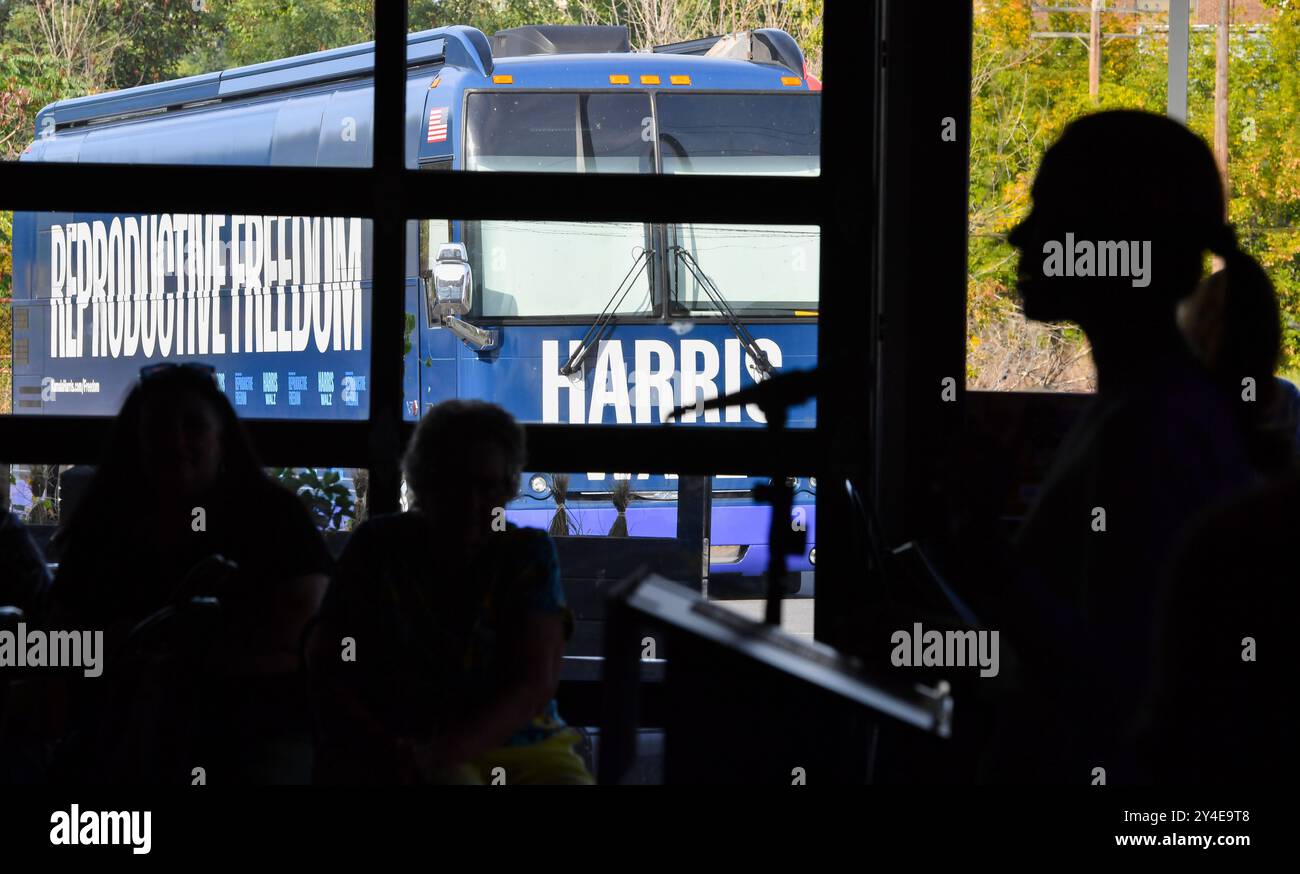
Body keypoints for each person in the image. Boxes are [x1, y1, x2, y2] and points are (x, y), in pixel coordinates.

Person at [975, 110, 1279, 783]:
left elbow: (1117, 681)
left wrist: (979, 554)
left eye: (1048, 214)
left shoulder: (1149, 430)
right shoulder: (1152, 411)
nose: (1019, 233)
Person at [45, 362, 333, 782]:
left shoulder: (271, 517)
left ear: (222, 440)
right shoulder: (105, 524)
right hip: (123, 732)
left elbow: (305, 629)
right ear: (137, 441)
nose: (175, 442)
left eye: (192, 427)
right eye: (159, 428)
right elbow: (57, 641)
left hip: (250, 736)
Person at [310, 399, 590, 784]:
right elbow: (329, 665)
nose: (472, 504)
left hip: (519, 743)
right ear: (425, 483)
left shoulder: (526, 553)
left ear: (506, 488)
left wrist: (435, 755)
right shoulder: (378, 546)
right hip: (402, 741)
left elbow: (532, 684)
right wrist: (390, 749)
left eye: (486, 487)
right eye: (454, 484)